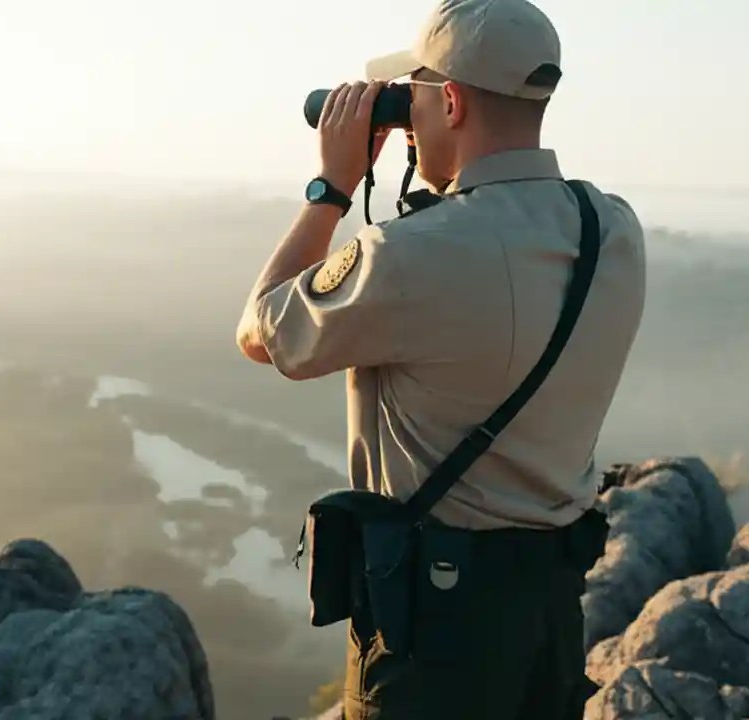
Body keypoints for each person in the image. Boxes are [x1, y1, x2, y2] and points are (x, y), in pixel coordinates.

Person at [235, 0, 645, 717]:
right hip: (550, 618)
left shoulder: (409, 257)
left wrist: (332, 186)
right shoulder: (612, 228)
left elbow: (261, 332)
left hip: (433, 635)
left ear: (449, 99)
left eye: (415, 97)